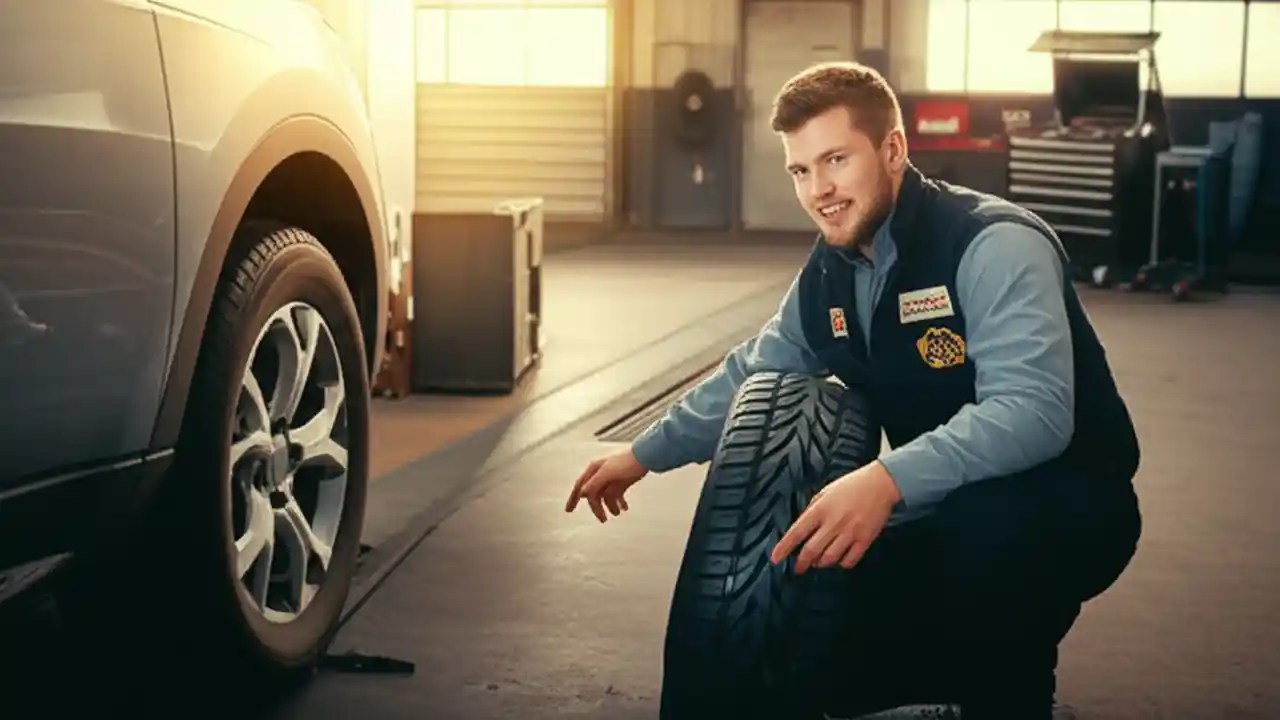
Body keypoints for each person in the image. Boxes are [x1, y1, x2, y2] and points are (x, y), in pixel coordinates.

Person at [565, 61, 1142, 719]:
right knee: (814, 629)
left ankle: (1012, 699)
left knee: (987, 553)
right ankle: (962, 677)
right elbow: (752, 370)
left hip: (1072, 501)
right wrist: (642, 454)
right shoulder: (831, 274)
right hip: (945, 499)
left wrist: (887, 479)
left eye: (836, 160)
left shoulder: (991, 243)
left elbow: (1034, 414)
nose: (819, 190)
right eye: (800, 170)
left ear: (893, 150)